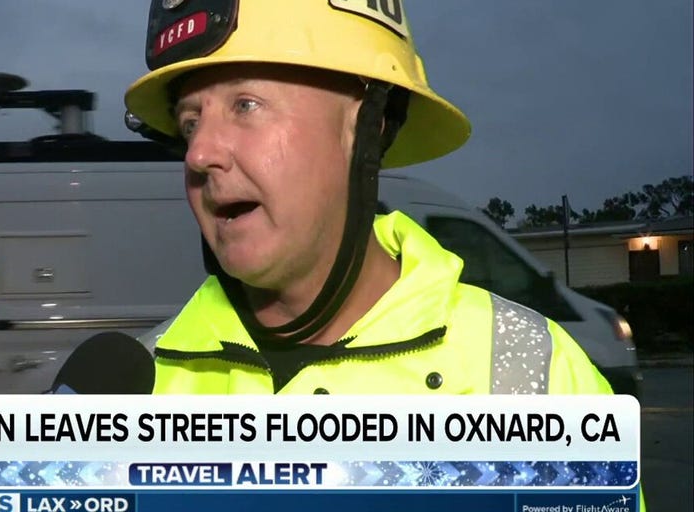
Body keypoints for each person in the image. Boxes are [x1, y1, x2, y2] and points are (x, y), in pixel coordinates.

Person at [122, 1, 615, 398]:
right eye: (191, 123)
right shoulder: (135, 386)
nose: (199, 152)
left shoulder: (532, 377)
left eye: (245, 105)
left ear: (366, 127)